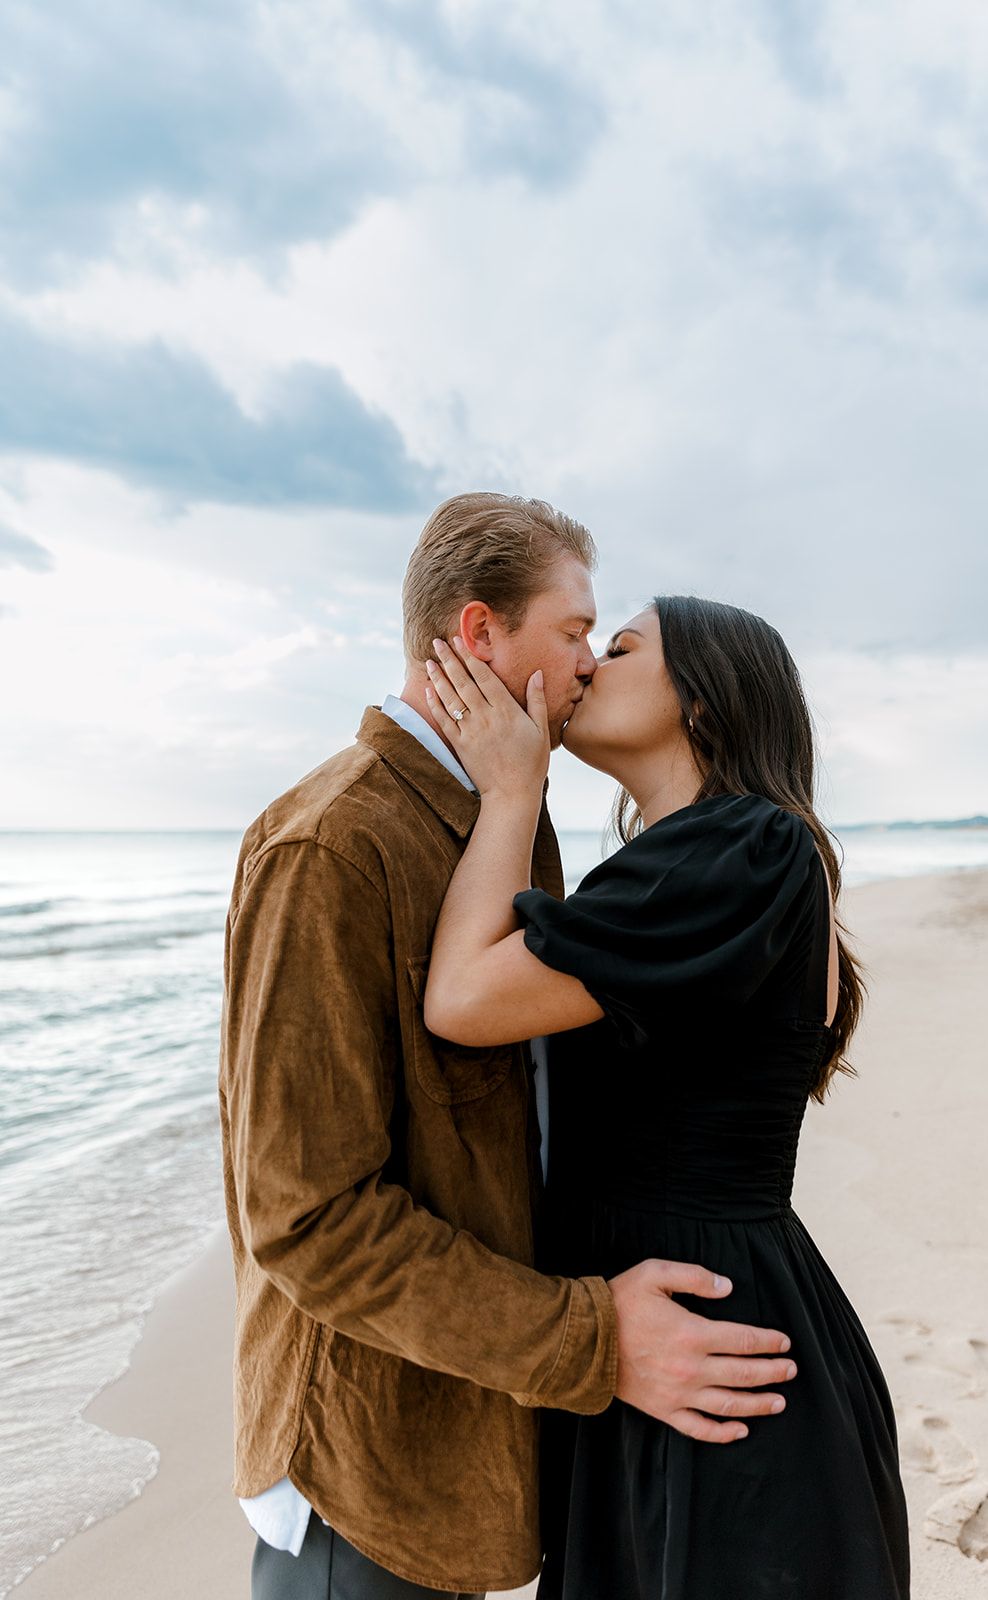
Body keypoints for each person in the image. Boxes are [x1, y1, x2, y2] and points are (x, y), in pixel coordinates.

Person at [219, 498, 799, 1600]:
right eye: (576, 630)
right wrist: (587, 1339)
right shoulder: (333, 843)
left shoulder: (504, 809)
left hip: (481, 1419)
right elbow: (306, 1219)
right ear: (481, 635)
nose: (586, 663)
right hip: (371, 1456)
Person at [423, 596, 911, 1600]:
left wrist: (511, 790)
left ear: (705, 694)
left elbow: (463, 998)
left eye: (621, 646)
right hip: (678, 1333)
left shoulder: (744, 851)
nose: (588, 666)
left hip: (703, 1354)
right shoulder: (712, 861)